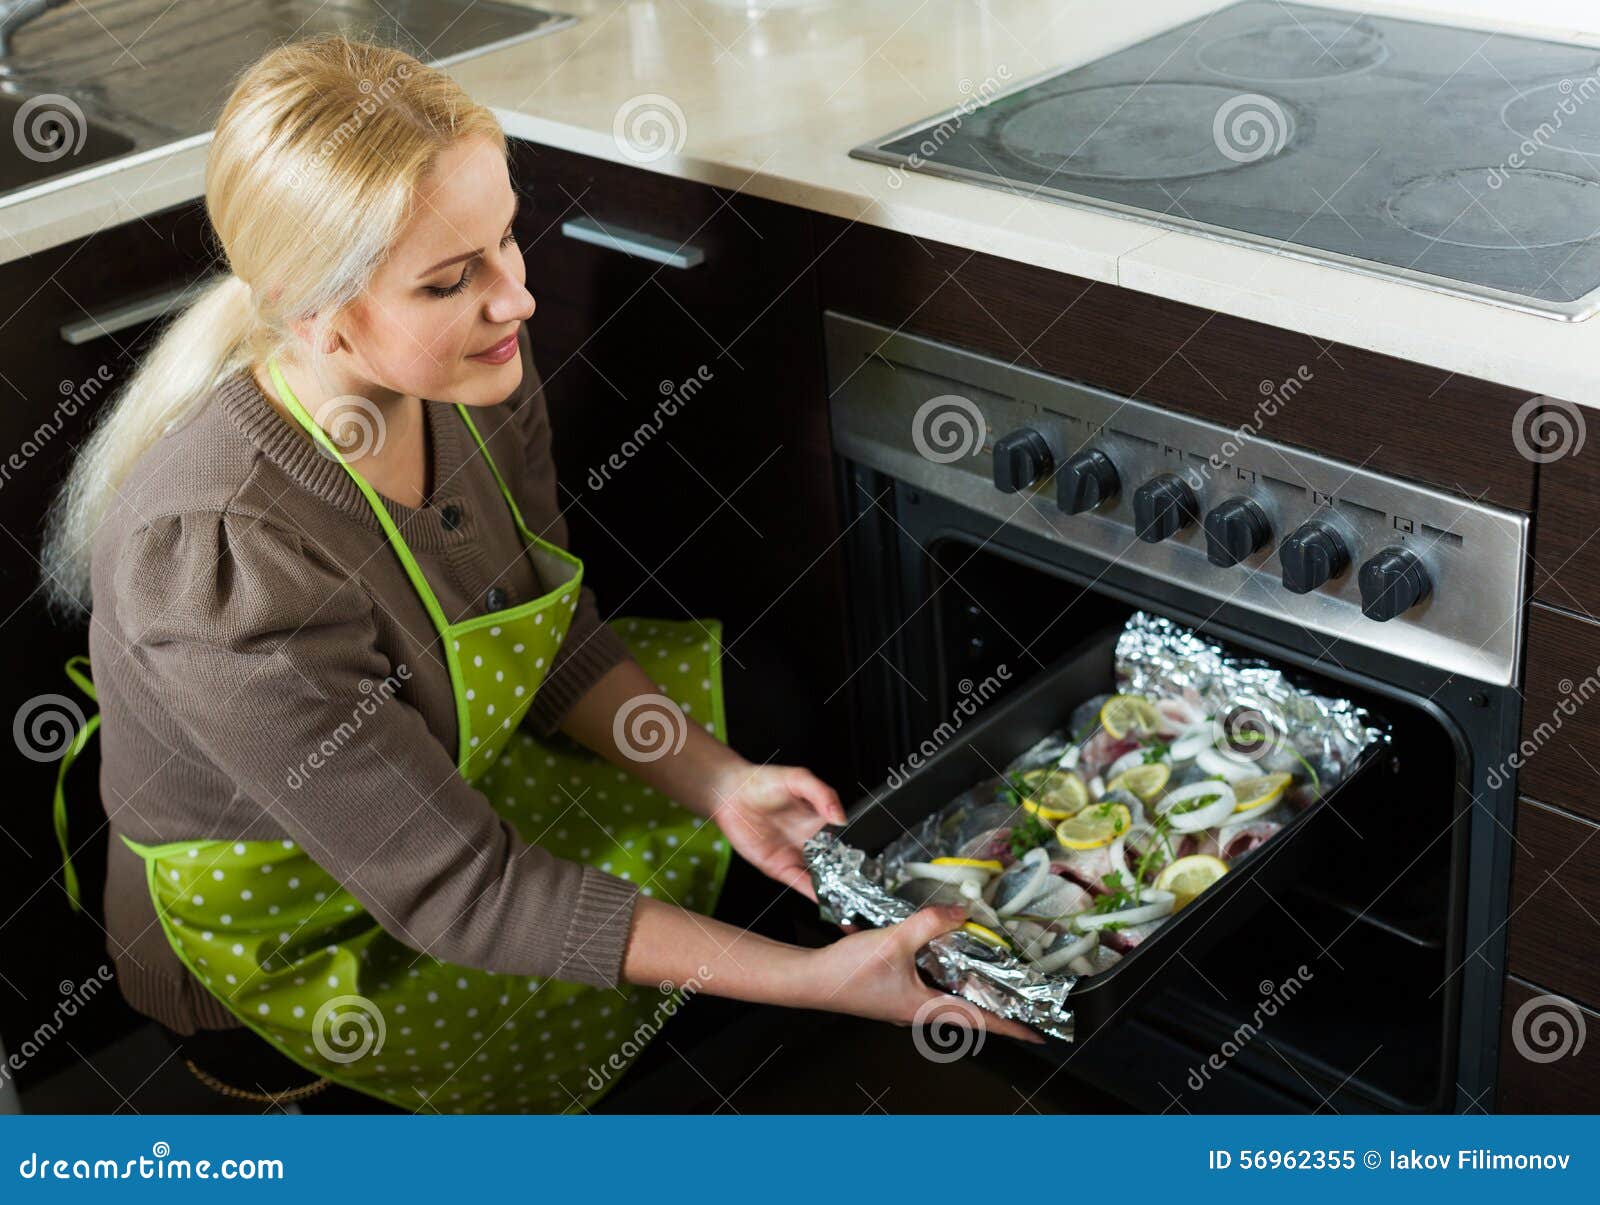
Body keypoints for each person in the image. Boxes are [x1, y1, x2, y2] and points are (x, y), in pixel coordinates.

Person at [41, 34, 1036, 1114]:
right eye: (448, 278)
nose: (515, 296)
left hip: (442, 786)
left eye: (506, 239)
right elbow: (463, 889)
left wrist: (719, 782)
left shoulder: (471, 376)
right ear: (312, 311)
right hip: (299, 939)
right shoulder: (218, 555)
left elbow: (543, 627)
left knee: (764, 711)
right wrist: (815, 982)